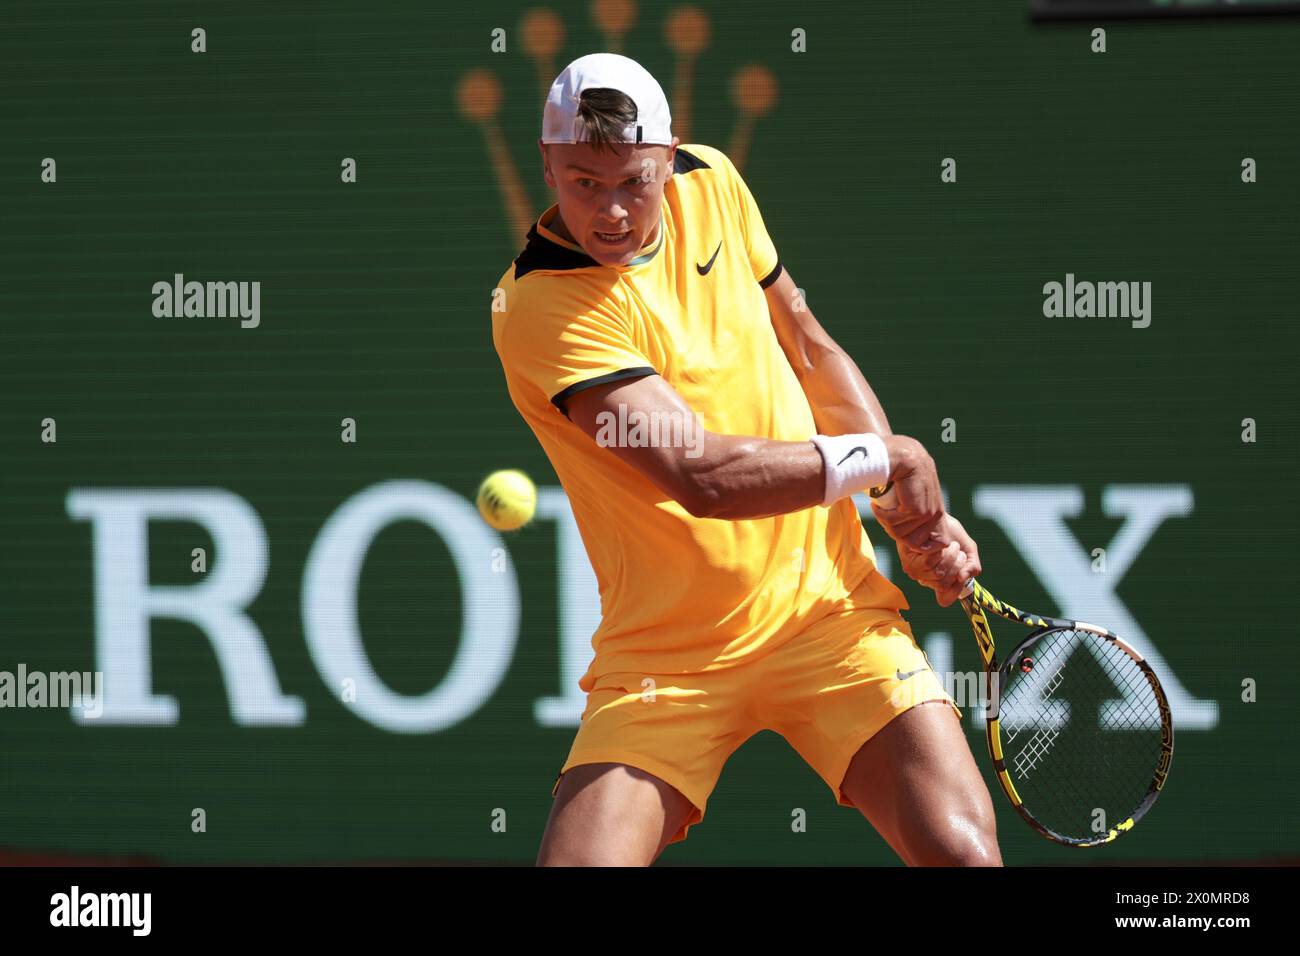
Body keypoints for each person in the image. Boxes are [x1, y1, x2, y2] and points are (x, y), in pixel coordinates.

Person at [490, 52, 1000, 866]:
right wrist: (885, 457)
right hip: (667, 655)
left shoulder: (713, 182)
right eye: (583, 182)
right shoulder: (539, 306)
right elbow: (703, 476)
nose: (612, 211)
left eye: (634, 181)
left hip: (826, 613)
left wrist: (897, 506)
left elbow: (804, 341)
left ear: (672, 154)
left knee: (961, 853)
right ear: (546, 161)